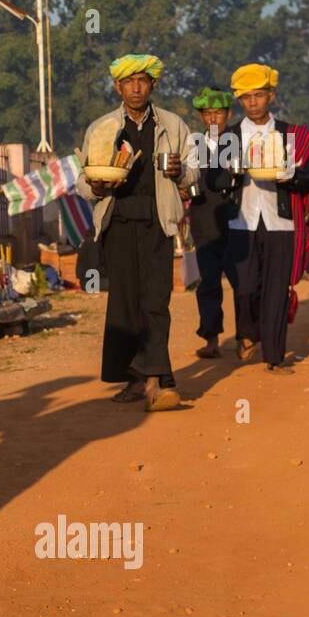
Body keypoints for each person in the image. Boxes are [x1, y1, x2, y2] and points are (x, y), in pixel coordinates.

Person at [76, 54, 196, 411]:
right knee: (125, 303)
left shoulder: (173, 125)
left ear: (153, 85)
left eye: (143, 80)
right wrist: (96, 188)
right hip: (119, 223)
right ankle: (134, 377)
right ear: (118, 87)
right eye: (129, 82)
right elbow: (84, 179)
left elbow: (194, 171)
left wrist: (179, 172)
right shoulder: (102, 128)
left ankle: (157, 382)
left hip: (158, 221)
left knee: (156, 300)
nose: (136, 87)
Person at [208, 63, 309, 374]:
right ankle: (248, 332)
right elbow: (212, 179)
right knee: (244, 287)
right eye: (246, 98)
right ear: (240, 101)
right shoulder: (229, 137)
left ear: (271, 95)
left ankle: (275, 356)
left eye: (259, 95)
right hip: (240, 223)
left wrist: (290, 177)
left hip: (281, 223)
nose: (253, 102)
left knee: (276, 289)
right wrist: (231, 173)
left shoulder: (292, 135)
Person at [184, 87, 236, 359]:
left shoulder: (240, 139)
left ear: (228, 114)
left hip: (237, 219)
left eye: (218, 113)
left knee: (244, 282)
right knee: (209, 283)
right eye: (207, 114)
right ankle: (211, 338)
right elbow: (185, 180)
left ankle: (248, 335)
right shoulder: (192, 145)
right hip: (204, 220)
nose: (213, 118)